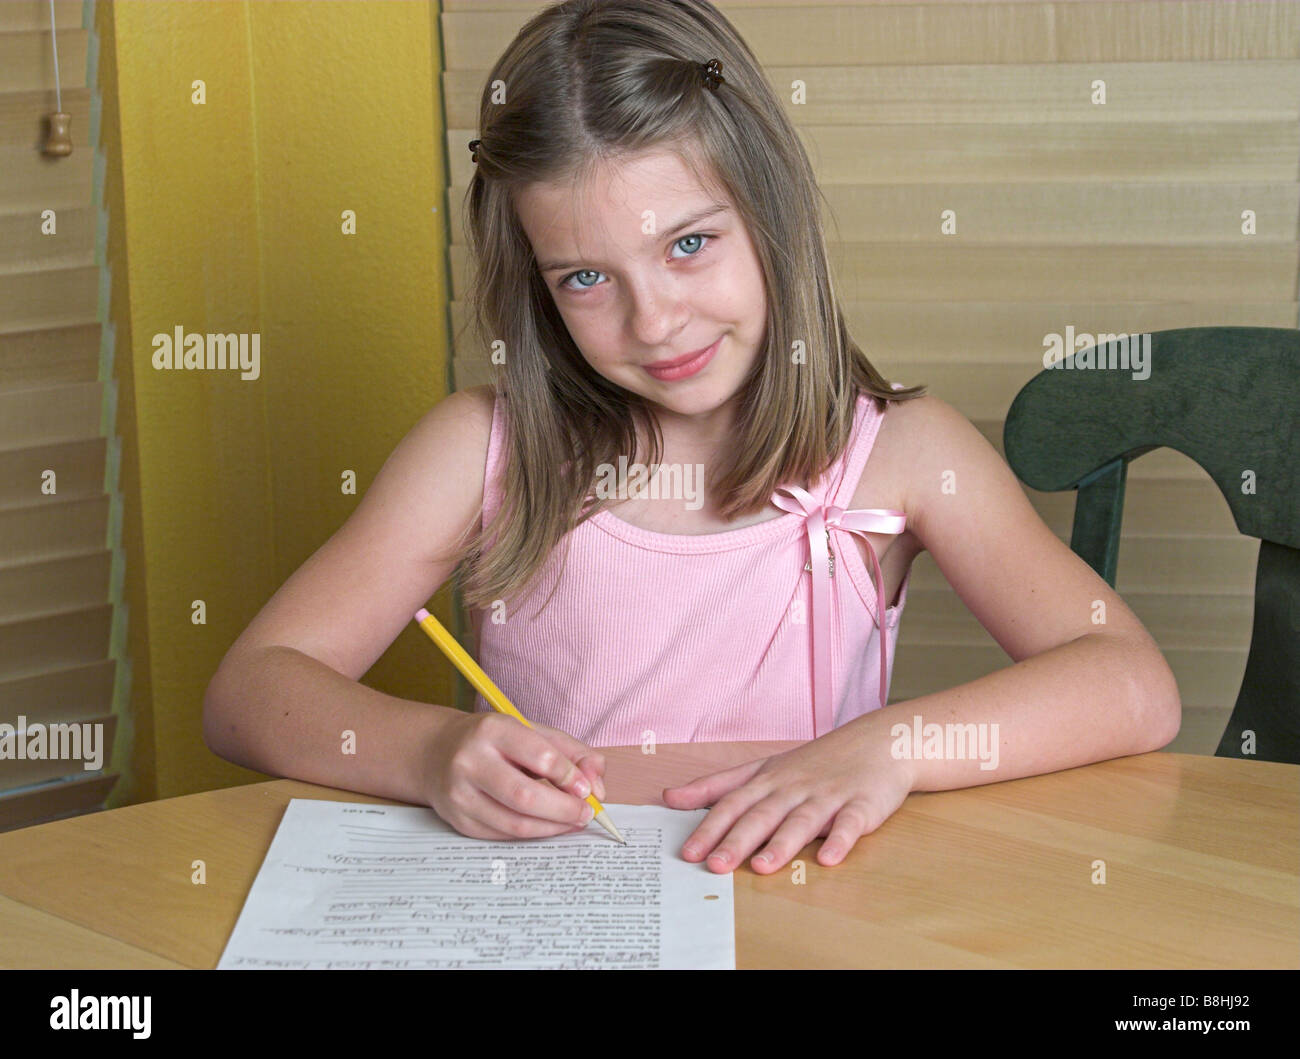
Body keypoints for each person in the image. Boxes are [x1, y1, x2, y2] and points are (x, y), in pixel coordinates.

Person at [203, 0, 1180, 876]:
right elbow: (249, 689)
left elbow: (1130, 683)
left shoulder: (904, 455)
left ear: (770, 214)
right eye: (586, 278)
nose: (656, 321)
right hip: (565, 909)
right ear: (538, 289)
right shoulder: (480, 451)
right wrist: (427, 753)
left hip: (804, 908)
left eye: (688, 244)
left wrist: (892, 745)